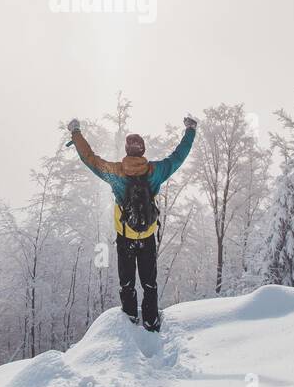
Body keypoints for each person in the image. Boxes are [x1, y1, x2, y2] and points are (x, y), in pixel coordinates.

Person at [66, 115, 197, 332]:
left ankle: (129, 320)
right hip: (147, 237)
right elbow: (178, 156)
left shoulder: (115, 172)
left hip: (125, 237)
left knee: (127, 282)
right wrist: (190, 130)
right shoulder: (156, 171)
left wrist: (76, 132)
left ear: (127, 151)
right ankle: (151, 322)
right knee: (149, 283)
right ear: (143, 151)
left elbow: (89, 158)